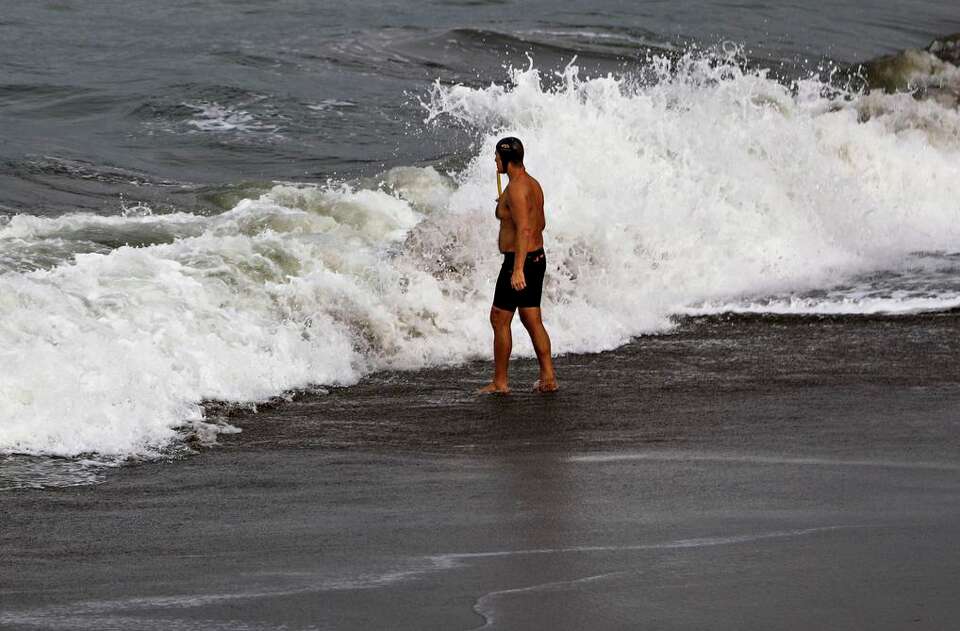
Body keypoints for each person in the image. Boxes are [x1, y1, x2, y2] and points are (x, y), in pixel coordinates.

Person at [479, 137, 559, 394]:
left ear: (506, 158)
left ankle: (500, 383)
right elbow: (540, 224)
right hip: (537, 257)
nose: (494, 160)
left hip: (520, 262)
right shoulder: (532, 184)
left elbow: (524, 229)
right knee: (531, 318)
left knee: (499, 318)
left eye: (496, 156)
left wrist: (517, 269)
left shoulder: (515, 189)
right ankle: (548, 377)